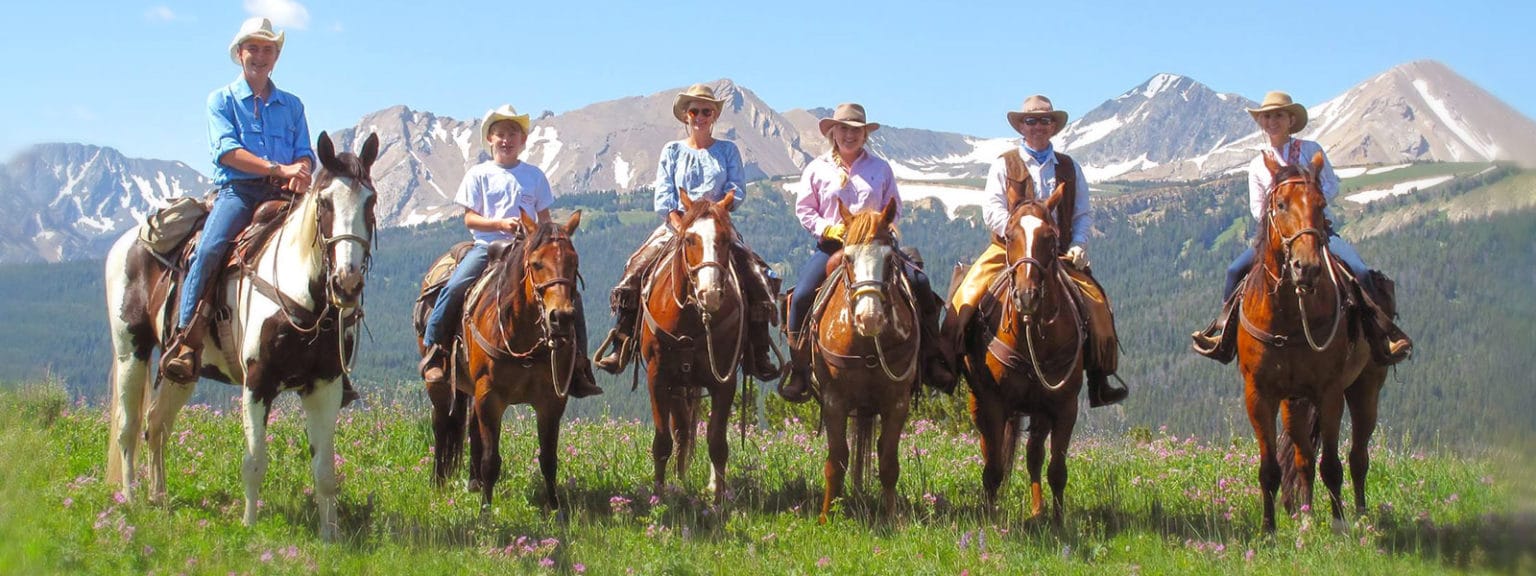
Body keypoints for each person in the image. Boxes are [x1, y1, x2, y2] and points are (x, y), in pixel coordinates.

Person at [936, 95, 1129, 407]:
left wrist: (1079, 245)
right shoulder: (1004, 163)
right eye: (1031, 121)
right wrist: (1017, 235)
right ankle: (949, 365)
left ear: (1052, 126)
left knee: (1097, 303)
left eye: (1044, 121)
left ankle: (1099, 377)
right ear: (1021, 126)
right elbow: (992, 211)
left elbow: (1082, 214)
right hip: (1007, 248)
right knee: (965, 298)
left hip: (1057, 253)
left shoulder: (1069, 167)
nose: (1037, 126)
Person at [1192, 91, 1412, 363]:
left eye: (1279, 115)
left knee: (1359, 270)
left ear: (1290, 119)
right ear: (1262, 122)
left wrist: (1309, 202)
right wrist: (1280, 213)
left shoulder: (1311, 150)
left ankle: (1380, 338)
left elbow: (1332, 185)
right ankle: (1223, 335)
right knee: (1234, 270)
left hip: (1316, 232)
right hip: (1276, 236)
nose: (1273, 121)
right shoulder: (1257, 164)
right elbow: (1256, 207)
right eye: (1268, 116)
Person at [162, 18, 324, 385]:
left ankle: (331, 352)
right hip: (240, 192)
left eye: (268, 49)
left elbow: (304, 152)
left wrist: (300, 168)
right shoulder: (221, 100)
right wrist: (280, 169)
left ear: (276, 57)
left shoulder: (293, 105)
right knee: (208, 251)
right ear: (240, 54)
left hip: (284, 196)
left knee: (325, 250)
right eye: (253, 48)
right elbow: (227, 152)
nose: (260, 56)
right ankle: (186, 339)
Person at [594, 83, 780, 380]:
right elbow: (665, 196)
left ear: (714, 116)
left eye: (706, 111)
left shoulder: (728, 150)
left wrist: (720, 211)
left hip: (717, 225)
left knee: (757, 274)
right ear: (685, 116)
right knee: (634, 270)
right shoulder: (672, 151)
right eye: (694, 111)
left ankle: (759, 351)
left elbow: (736, 189)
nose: (700, 116)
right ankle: (623, 342)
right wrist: (681, 226)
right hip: (677, 226)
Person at [419, 105, 603, 397]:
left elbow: (543, 218)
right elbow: (469, 218)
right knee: (455, 286)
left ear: (523, 140)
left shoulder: (534, 176)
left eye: (512, 134)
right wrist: (499, 223)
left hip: (526, 248)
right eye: (500, 134)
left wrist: (548, 240)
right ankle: (435, 350)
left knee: (571, 297)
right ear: (490, 139)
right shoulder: (479, 174)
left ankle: (579, 364)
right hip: (487, 246)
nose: (506, 140)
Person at [779, 103, 954, 402]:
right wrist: (826, 228)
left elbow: (893, 207)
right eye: (844, 129)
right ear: (833, 132)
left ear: (865, 135)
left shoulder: (880, 168)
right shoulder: (817, 168)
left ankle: (929, 358)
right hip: (834, 245)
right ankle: (800, 368)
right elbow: (805, 209)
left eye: (856, 130)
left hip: (876, 246)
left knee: (921, 283)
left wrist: (880, 228)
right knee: (803, 294)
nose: (850, 135)